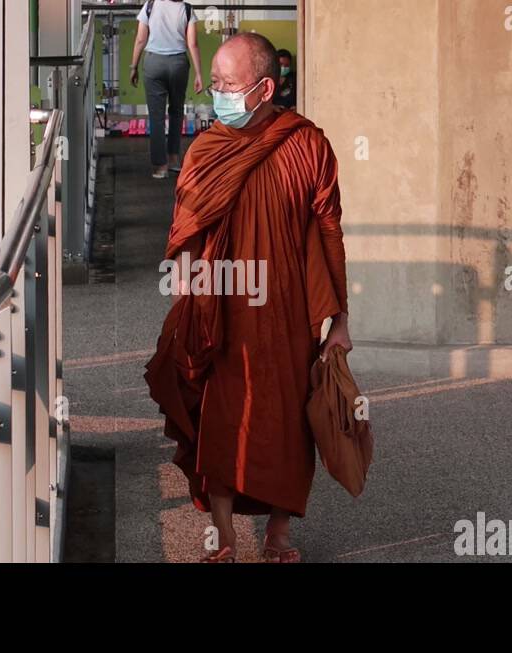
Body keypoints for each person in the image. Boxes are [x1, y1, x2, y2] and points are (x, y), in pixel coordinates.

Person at [144, 33, 351, 563]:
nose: (217, 94)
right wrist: (187, 286)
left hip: (288, 311)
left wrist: (340, 318)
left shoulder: (307, 144)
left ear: (262, 88)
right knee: (219, 416)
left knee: (285, 423)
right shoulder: (207, 149)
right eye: (213, 83)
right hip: (222, 307)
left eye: (228, 85)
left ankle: (279, 537)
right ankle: (224, 537)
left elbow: (329, 231)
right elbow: (185, 227)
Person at [130, 0, 203, 179]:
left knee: (157, 116)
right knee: (177, 112)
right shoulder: (186, 9)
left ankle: (160, 166)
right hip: (178, 63)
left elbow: (140, 39)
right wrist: (199, 73)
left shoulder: (150, 5)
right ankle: (174, 159)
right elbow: (192, 44)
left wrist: (134, 66)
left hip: (154, 62)